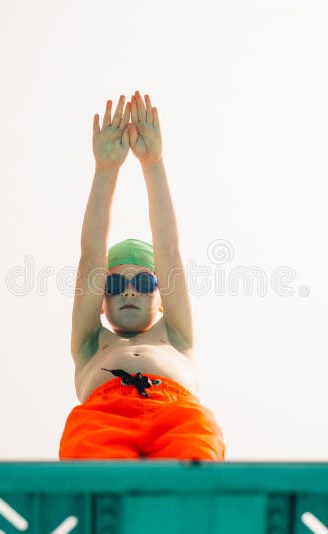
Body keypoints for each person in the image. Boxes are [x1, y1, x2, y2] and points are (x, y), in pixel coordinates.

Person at [59, 91, 226, 460]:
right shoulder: (91, 344)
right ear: (100, 302)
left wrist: (154, 165)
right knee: (100, 489)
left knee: (192, 483)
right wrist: (106, 172)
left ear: (162, 298)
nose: (130, 292)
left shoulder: (175, 335)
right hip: (103, 417)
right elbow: (91, 256)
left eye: (145, 283)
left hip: (177, 414)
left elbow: (168, 250)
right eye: (115, 284)